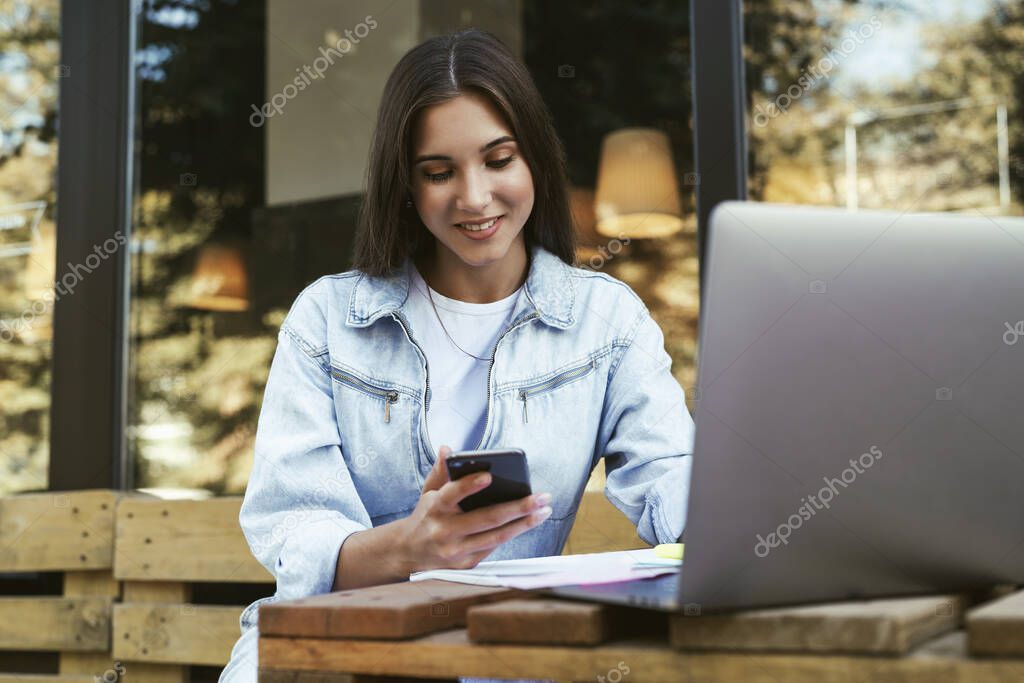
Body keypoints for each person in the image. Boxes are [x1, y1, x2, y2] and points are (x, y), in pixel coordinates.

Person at [219, 28, 694, 681]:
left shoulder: (604, 321)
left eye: (499, 159)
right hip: (336, 653)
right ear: (406, 187)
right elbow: (294, 530)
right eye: (439, 172)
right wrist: (409, 546)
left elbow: (669, 473)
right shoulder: (329, 321)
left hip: (505, 656)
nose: (474, 197)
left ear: (535, 161)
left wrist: (758, 520)